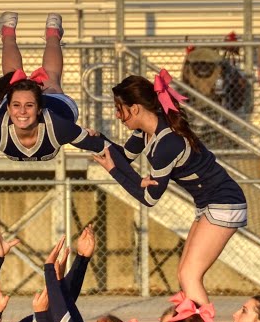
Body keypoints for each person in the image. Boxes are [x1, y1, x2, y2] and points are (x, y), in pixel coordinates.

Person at [91, 70, 247, 308]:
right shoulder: (147, 132)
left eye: (119, 108)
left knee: (189, 276)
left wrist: (114, 171)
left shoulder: (167, 143)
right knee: (184, 275)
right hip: (208, 203)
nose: (117, 115)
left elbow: (149, 197)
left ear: (135, 109)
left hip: (223, 202)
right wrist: (95, 139)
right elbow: (121, 156)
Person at [0, 12, 109, 165]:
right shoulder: (61, 128)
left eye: (28, 107)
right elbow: (114, 152)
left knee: (17, 80)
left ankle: (13, 30)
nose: (22, 112)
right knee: (46, 79)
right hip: (60, 112)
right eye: (15, 106)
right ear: (9, 107)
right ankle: (49, 31)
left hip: (56, 115)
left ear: (39, 109)